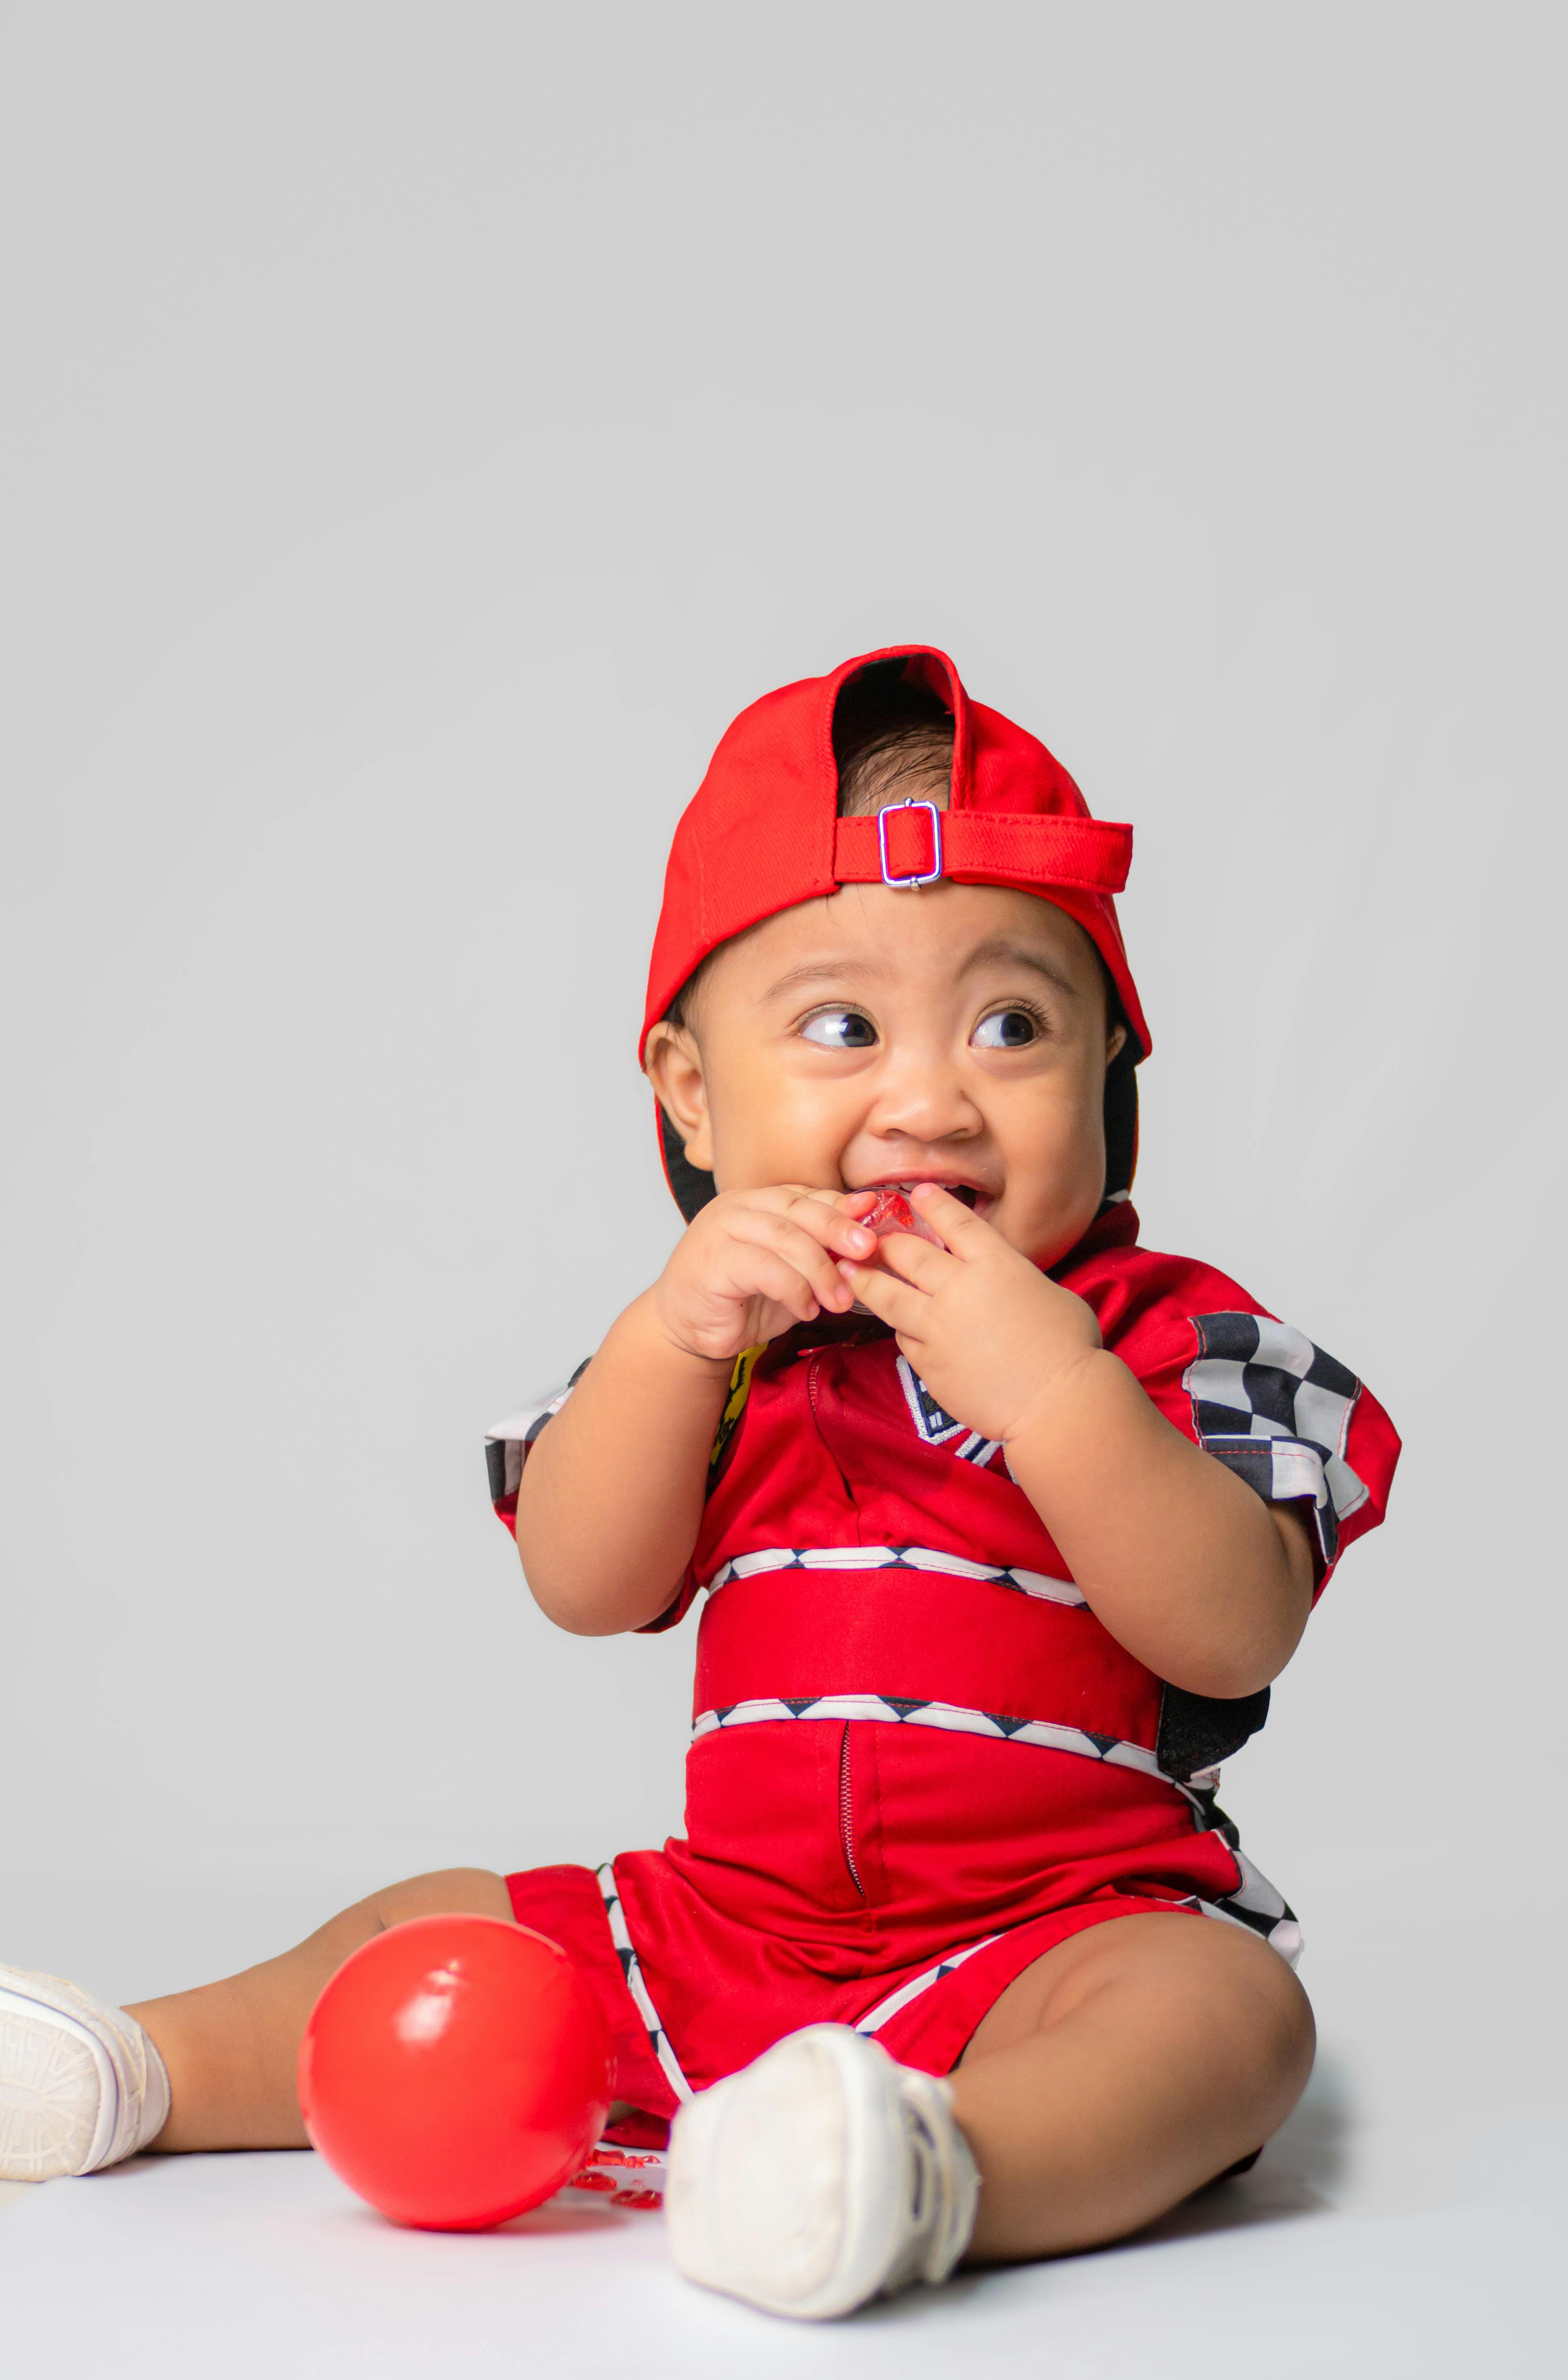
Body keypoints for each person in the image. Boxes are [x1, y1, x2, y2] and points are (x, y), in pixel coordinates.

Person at [0, 646, 1399, 2321]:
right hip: (724, 1935)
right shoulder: (734, 1349)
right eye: (840, 1026)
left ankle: (934, 2167)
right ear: (691, 1094)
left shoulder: (1166, 1338)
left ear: (1109, 1074)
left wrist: (1052, 1383)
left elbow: (1232, 1628)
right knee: (436, 1919)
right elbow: (586, 1581)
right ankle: (144, 2064)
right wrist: (669, 1341)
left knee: (1229, 2021)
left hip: (1057, 1937)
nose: (932, 1095)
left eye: (1015, 1023)